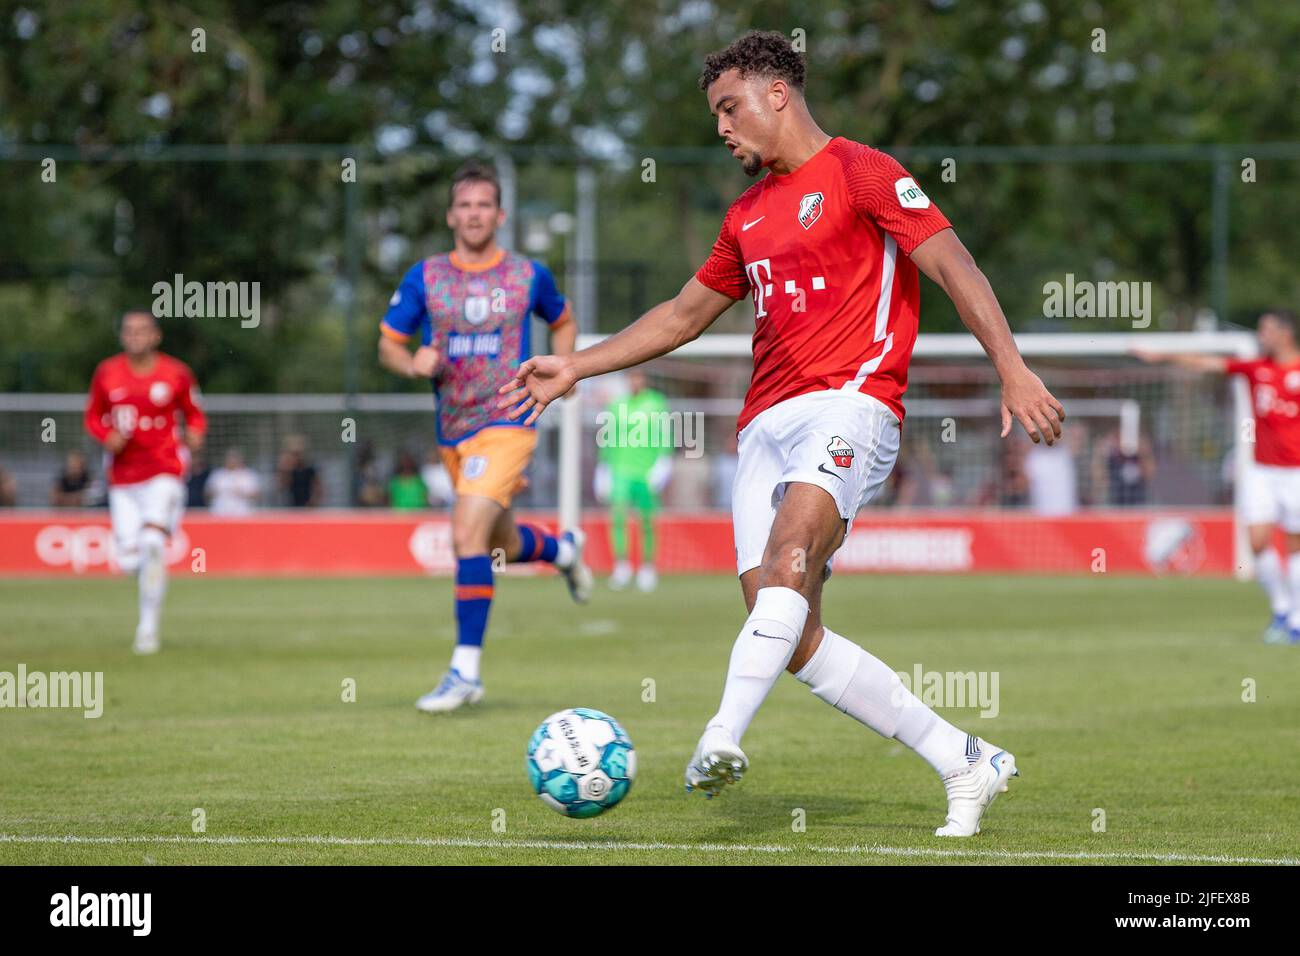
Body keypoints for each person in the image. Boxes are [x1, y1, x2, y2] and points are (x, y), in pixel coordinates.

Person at [499, 32, 1064, 836]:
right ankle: (964, 759)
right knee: (790, 628)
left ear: (777, 95)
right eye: (714, 116)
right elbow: (683, 316)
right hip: (764, 425)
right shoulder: (746, 216)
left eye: (729, 109)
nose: (722, 129)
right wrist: (576, 367)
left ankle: (720, 734)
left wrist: (1011, 365)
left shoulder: (863, 171)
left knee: (790, 559)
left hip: (853, 401)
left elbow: (953, 264)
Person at [377, 160, 593, 713]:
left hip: (509, 419)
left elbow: (563, 320)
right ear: (452, 215)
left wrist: (562, 368)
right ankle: (563, 552)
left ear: (500, 214)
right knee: (502, 543)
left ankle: (464, 671)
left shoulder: (527, 275)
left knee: (465, 534)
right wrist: (410, 361)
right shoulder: (425, 276)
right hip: (453, 432)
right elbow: (388, 345)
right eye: (464, 205)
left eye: (483, 205)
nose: (474, 214)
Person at [1136, 309, 1300, 644]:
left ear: (1285, 333)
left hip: (1296, 472)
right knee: (1257, 541)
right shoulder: (1257, 369)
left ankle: (1295, 618)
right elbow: (1206, 363)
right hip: (1262, 471)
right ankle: (1282, 608)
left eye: (1266, 329)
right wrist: (1163, 355)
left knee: (1296, 548)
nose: (1260, 335)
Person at [84, 309, 206, 654]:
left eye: (142, 331)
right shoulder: (107, 373)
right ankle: (146, 591)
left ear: (156, 336)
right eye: (129, 331)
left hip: (165, 470)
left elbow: (194, 413)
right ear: (122, 336)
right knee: (128, 562)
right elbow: (93, 415)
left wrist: (196, 433)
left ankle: (147, 628)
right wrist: (106, 435)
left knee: (153, 542)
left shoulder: (175, 373)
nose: (135, 337)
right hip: (123, 478)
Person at [596, 369, 672, 591]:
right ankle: (622, 565)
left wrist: (663, 462)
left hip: (645, 471)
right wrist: (603, 467)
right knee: (618, 517)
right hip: (620, 469)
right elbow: (607, 437)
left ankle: (647, 567)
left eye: (639, 377)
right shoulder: (617, 404)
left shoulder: (656, 403)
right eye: (632, 377)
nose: (635, 381)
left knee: (647, 520)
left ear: (644, 379)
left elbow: (664, 434)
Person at [207, 448, 260, 516]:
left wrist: (242, 493)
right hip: (219, 513)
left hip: (242, 514)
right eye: (230, 458)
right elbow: (207, 494)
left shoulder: (248, 475)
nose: (232, 460)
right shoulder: (217, 474)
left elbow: (257, 495)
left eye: (235, 458)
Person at [277, 435, 320, 507]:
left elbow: (318, 488)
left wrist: (312, 502)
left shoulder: (310, 469)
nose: (296, 457)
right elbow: (281, 487)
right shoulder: (287, 470)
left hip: (307, 507)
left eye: (298, 454)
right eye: (293, 454)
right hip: (290, 508)